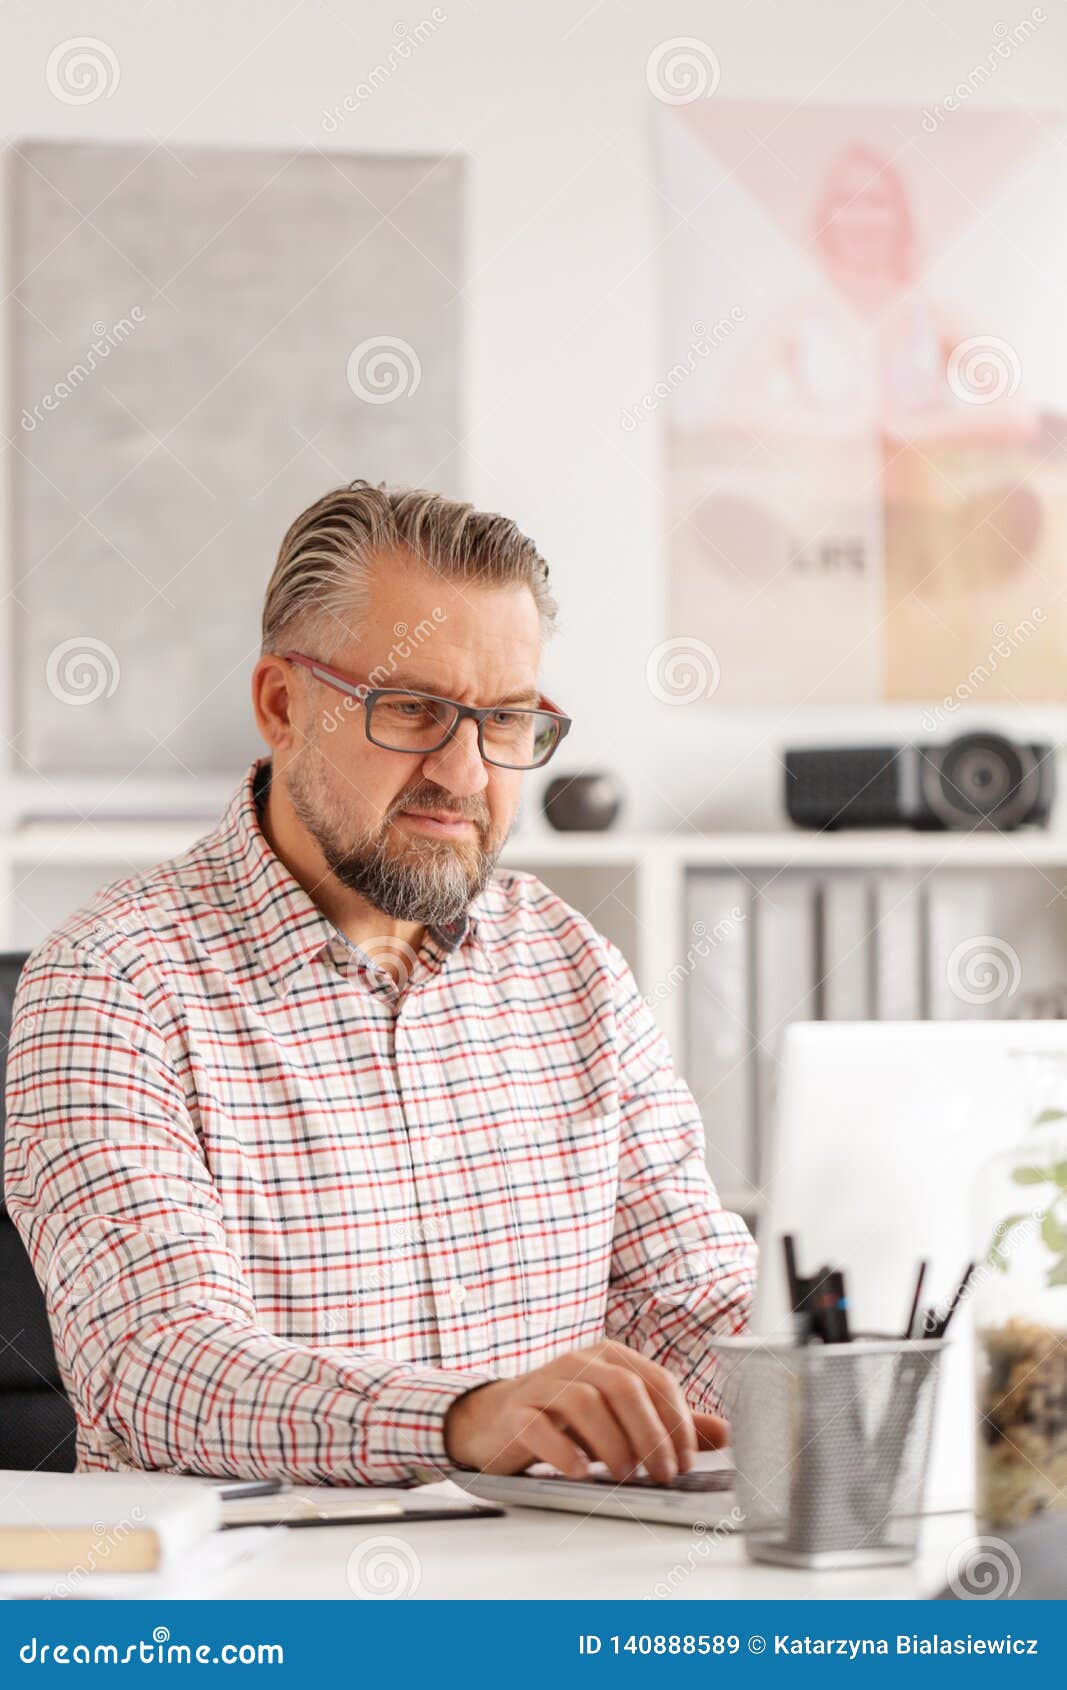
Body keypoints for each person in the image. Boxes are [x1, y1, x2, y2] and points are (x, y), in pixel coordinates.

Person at [5, 481, 756, 1487]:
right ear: (281, 703)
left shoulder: (571, 964)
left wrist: (877, 1375)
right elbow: (155, 1366)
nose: (463, 771)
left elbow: (690, 1306)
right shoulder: (113, 983)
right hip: (255, 1621)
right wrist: (464, 1420)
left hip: (553, 1591)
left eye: (507, 720)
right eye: (412, 709)